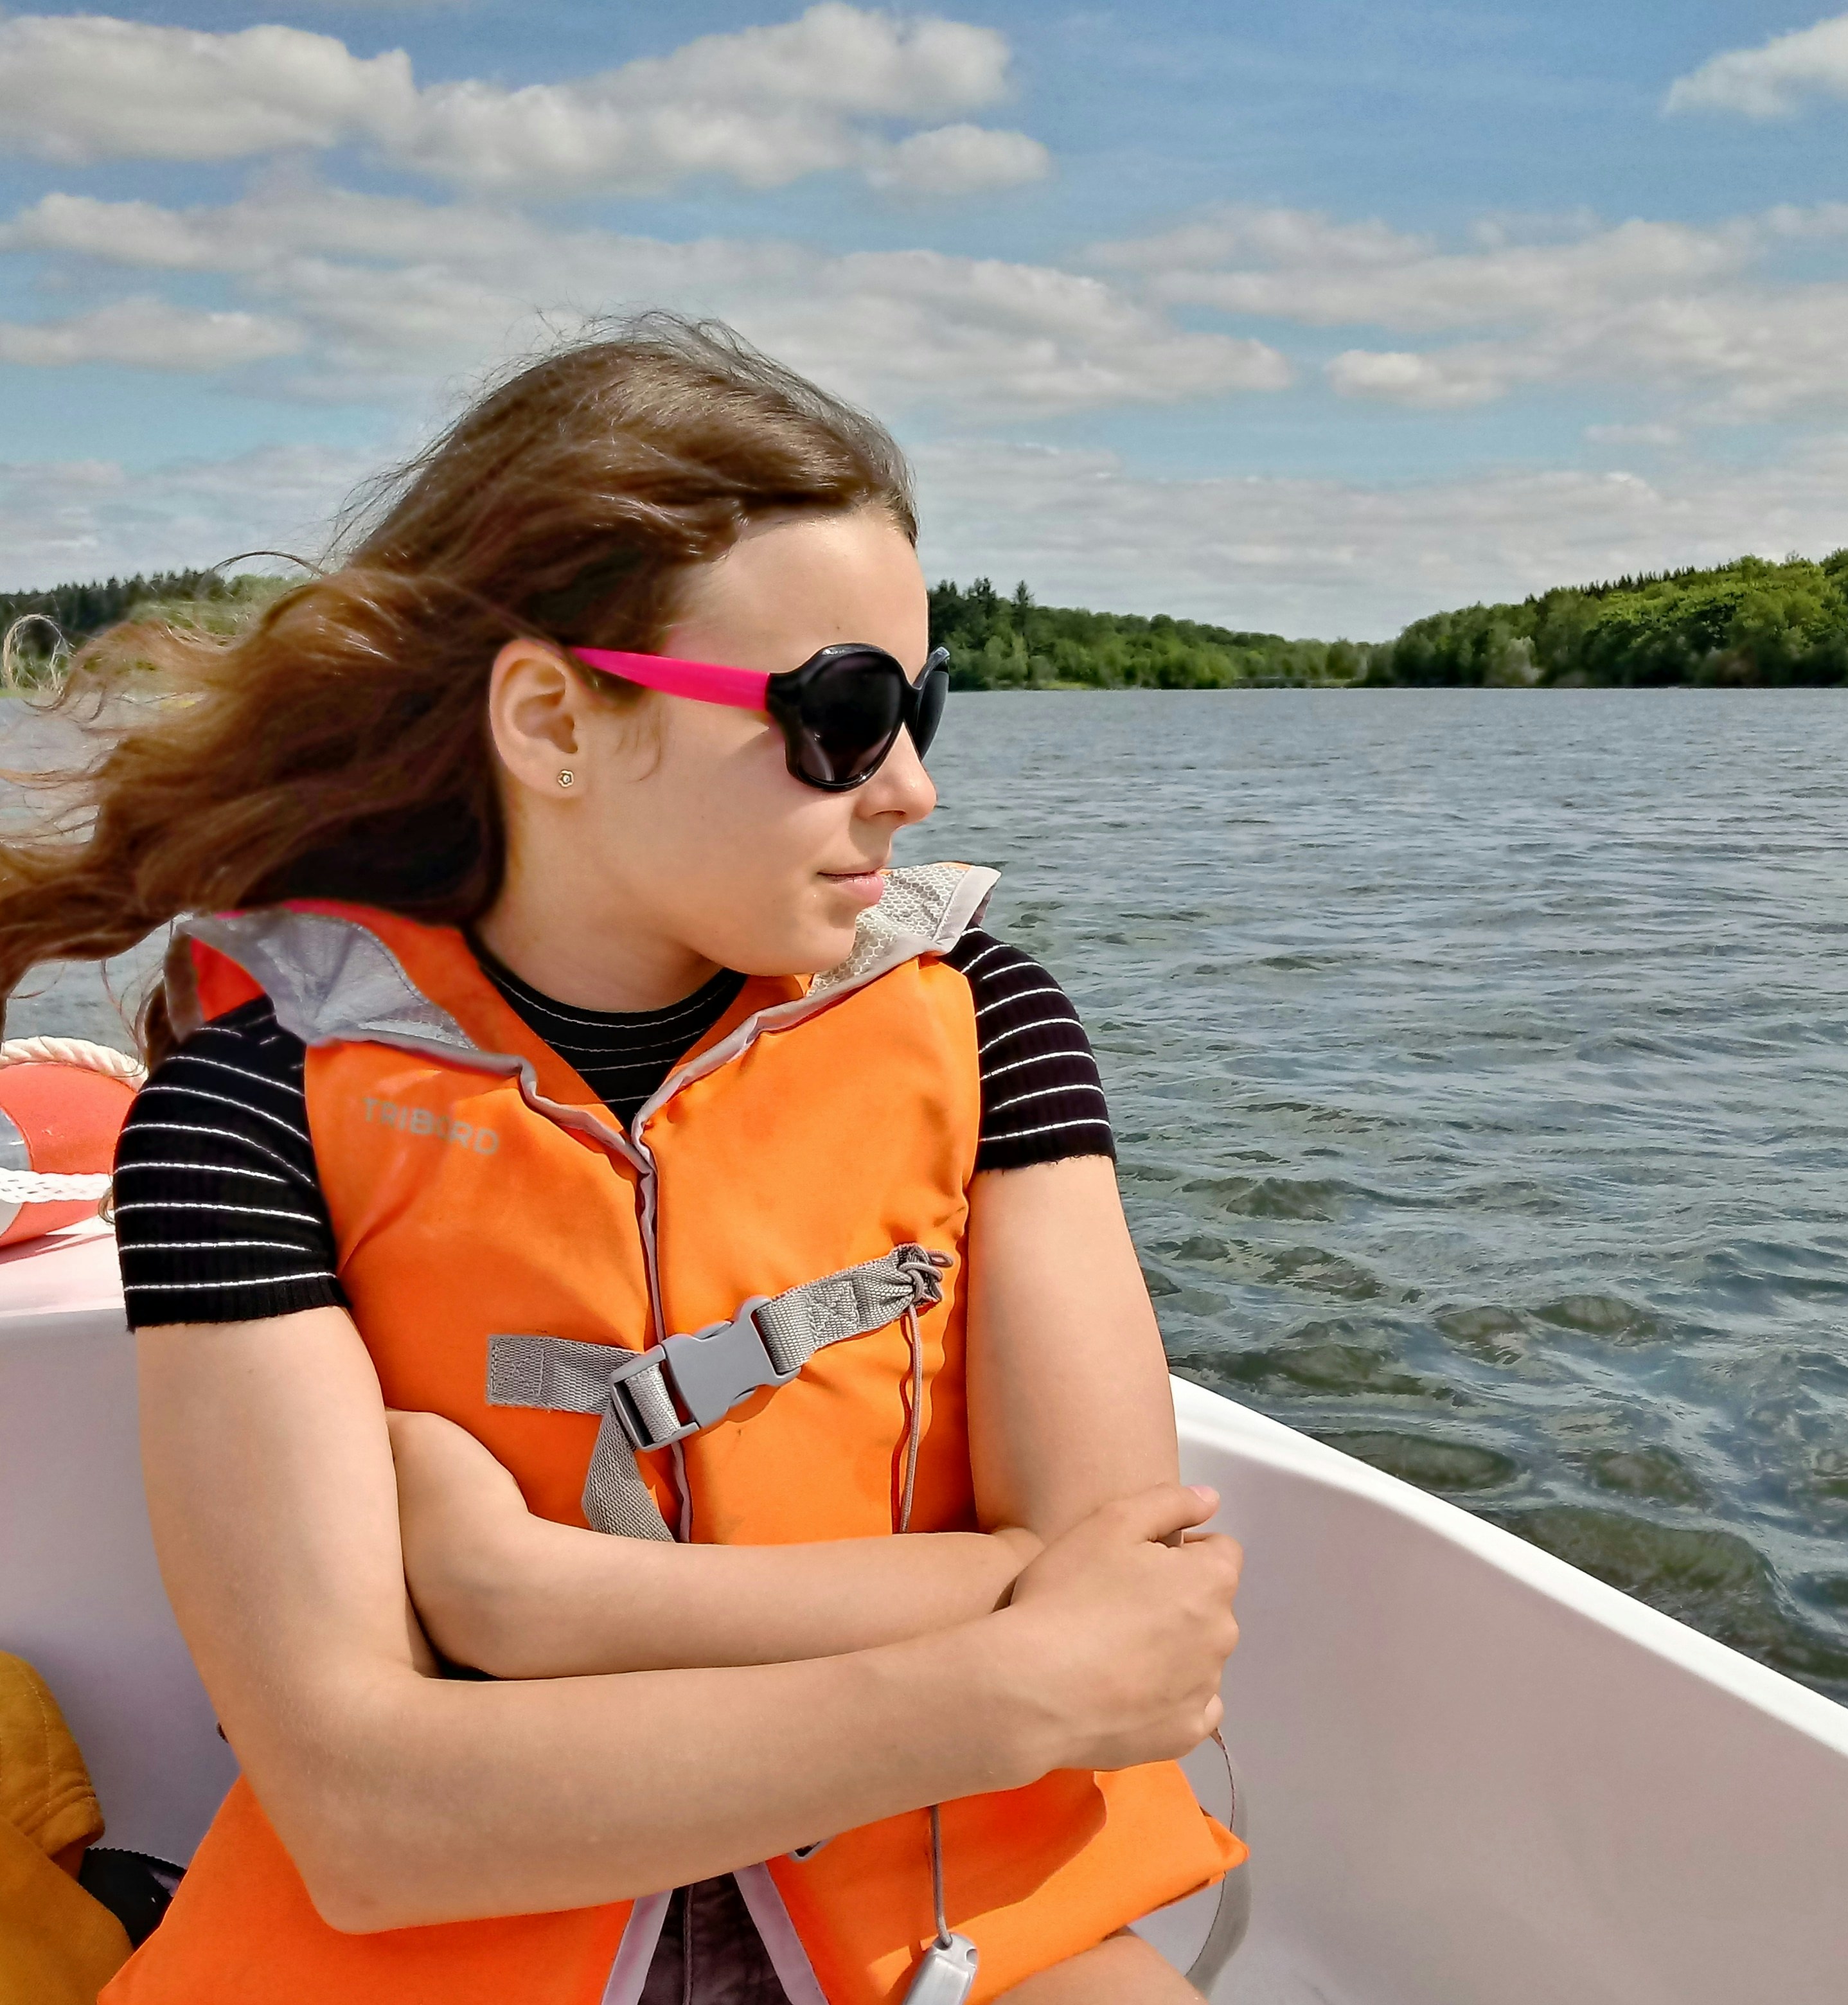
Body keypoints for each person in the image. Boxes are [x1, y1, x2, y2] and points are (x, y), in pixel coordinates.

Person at [0, 318, 1243, 2005]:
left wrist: (531, 1602)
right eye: (843, 715)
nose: (914, 789)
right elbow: (368, 1818)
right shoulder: (246, 1119)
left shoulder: (986, 1025)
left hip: (939, 1935)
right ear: (553, 722)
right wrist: (1009, 1678)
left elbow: (1143, 1613)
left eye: (919, 704)